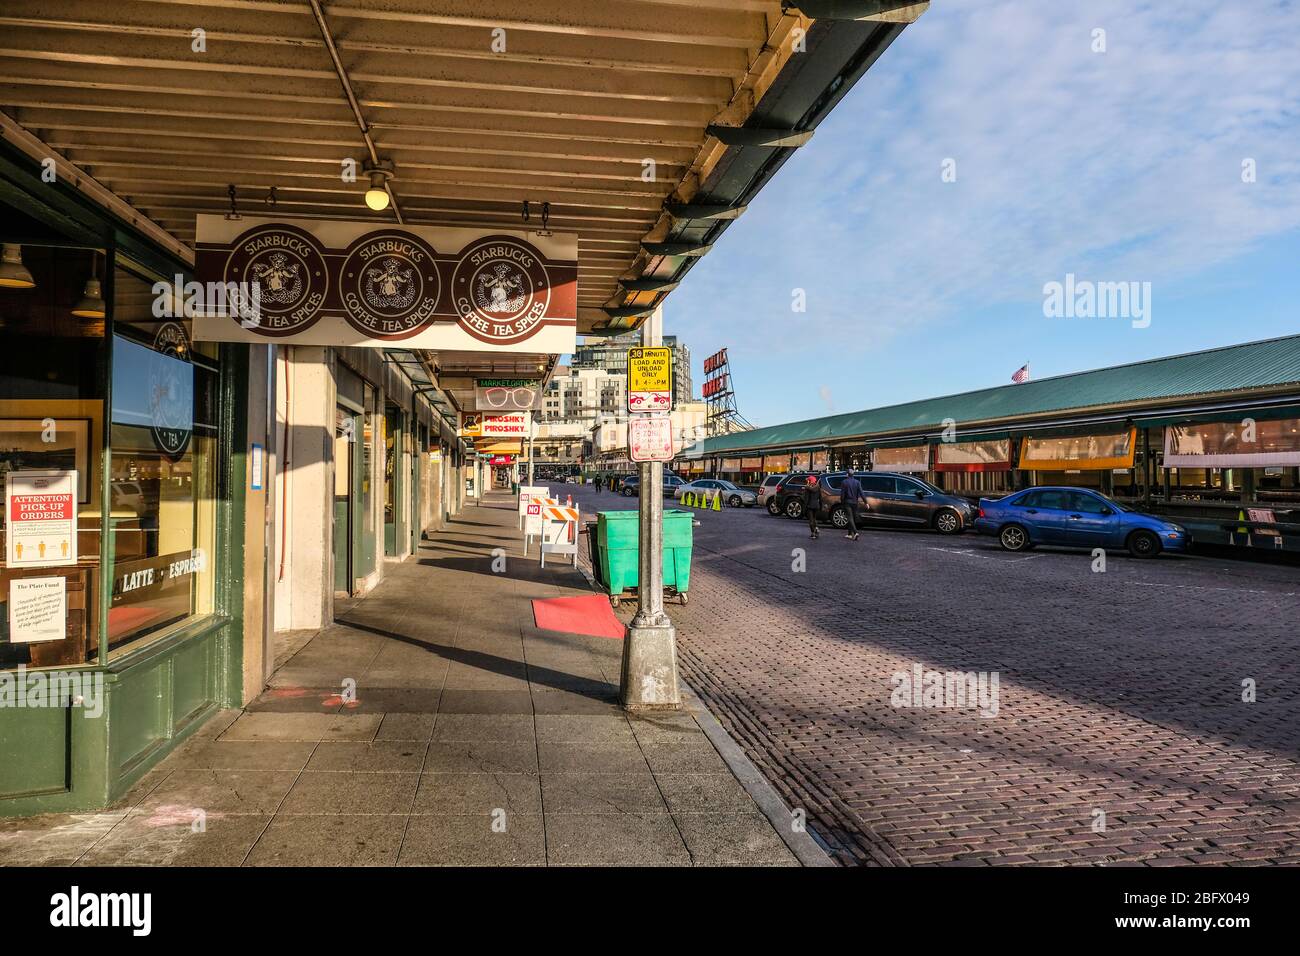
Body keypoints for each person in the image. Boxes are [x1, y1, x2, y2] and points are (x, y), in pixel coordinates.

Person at [840, 472, 865, 540]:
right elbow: (861, 492)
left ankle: (855, 532)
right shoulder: (857, 482)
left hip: (847, 502)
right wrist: (866, 502)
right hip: (855, 502)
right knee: (852, 518)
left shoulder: (844, 482)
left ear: (847, 474)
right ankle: (849, 534)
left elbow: (842, 494)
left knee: (850, 518)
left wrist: (842, 502)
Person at [803, 474, 821, 539]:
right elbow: (820, 497)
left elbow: (806, 499)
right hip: (816, 505)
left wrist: (804, 508)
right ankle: (816, 527)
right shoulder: (818, 487)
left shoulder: (807, 488)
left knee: (811, 520)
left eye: (808, 480)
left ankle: (812, 533)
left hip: (810, 505)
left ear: (809, 481)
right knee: (814, 518)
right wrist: (820, 505)